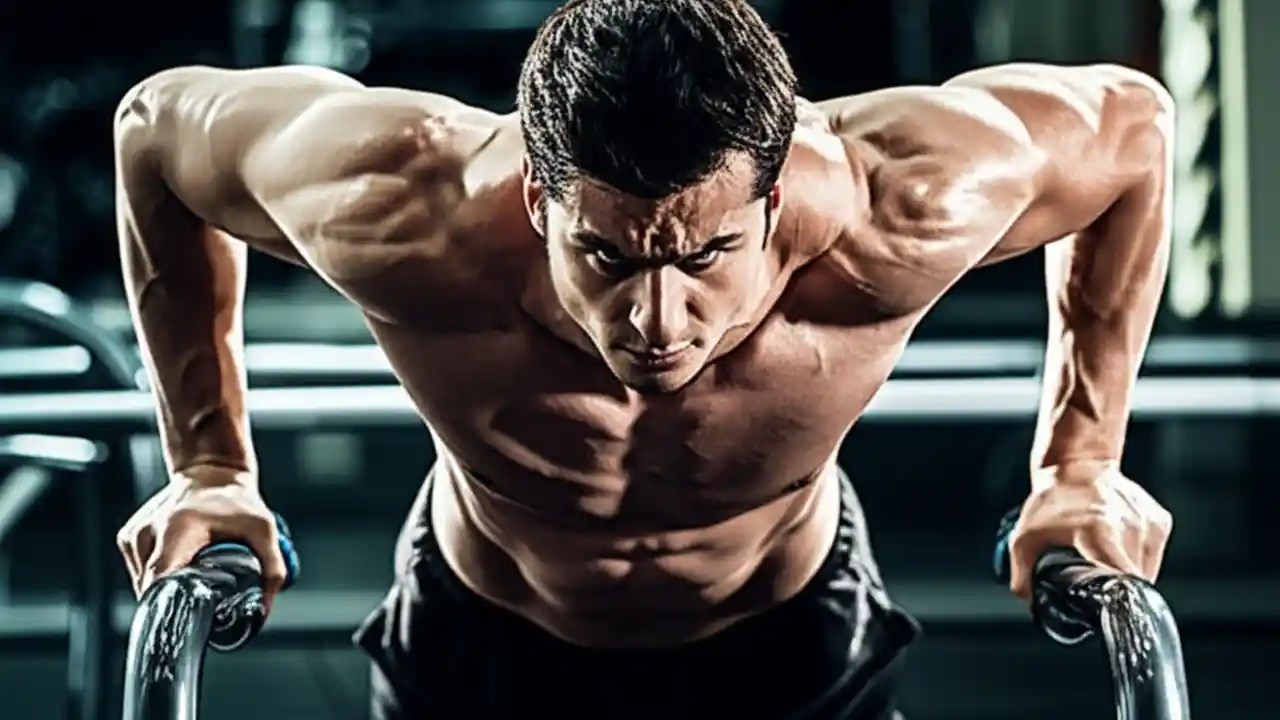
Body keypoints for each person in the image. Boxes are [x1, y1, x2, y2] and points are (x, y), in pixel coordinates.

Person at [111, 1, 1176, 717]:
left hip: (782, 632)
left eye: (707, 253)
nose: (658, 319)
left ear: (771, 195)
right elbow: (154, 130)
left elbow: (1132, 127)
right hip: (489, 634)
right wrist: (210, 469)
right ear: (538, 198)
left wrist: (1075, 464)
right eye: (605, 254)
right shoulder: (399, 208)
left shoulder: (899, 208)